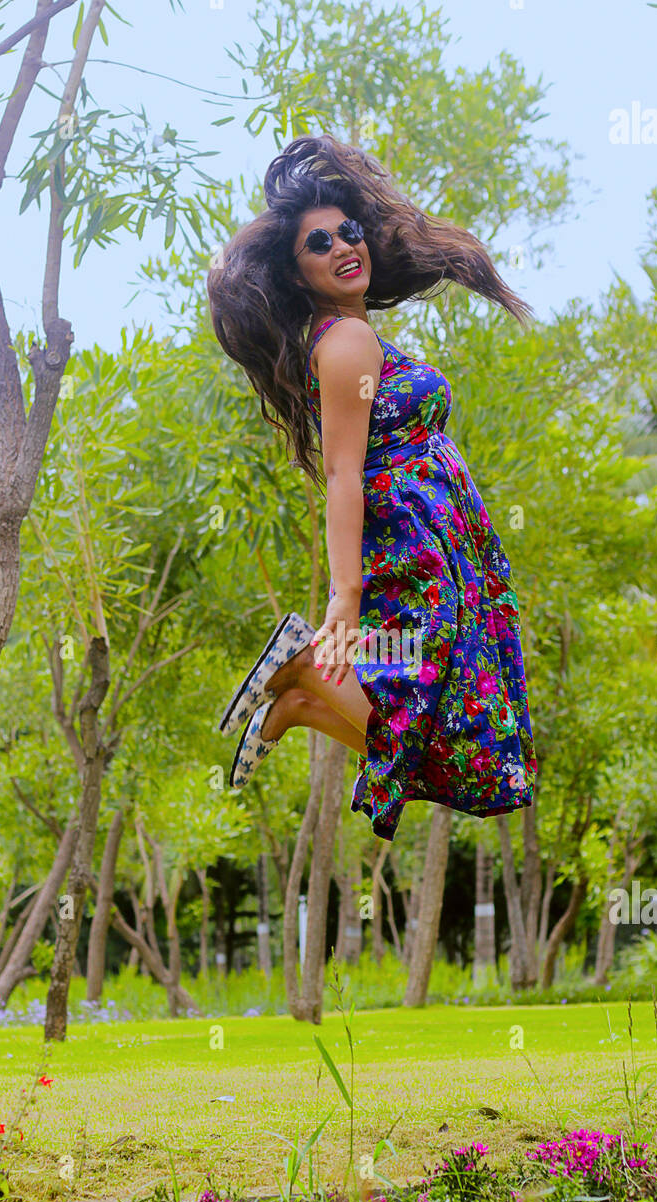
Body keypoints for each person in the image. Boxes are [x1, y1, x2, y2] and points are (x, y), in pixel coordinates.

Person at [208, 134, 537, 843]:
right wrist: (344, 597)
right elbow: (341, 473)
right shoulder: (347, 344)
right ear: (298, 276)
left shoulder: (352, 335)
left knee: (444, 730)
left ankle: (298, 701)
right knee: (462, 737)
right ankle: (305, 667)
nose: (340, 247)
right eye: (318, 244)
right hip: (411, 547)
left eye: (347, 232)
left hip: (437, 542)